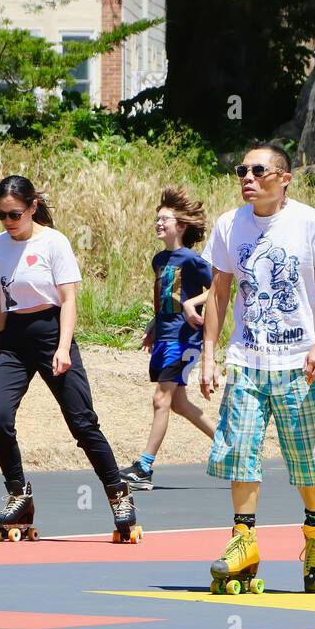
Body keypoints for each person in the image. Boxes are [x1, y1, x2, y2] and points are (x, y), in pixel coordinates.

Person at [199, 143, 315, 594]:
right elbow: (219, 293)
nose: (247, 177)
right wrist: (208, 354)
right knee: (239, 449)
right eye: (242, 169)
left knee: (308, 460)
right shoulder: (229, 225)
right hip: (248, 360)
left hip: (301, 363)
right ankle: (243, 539)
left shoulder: (310, 222)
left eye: (258, 170)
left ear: (283, 178)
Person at [0, 174, 141, 543]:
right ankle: (19, 495)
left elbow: (69, 299)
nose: (8, 222)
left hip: (53, 332)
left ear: (33, 207)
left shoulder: (55, 242)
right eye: (0, 214)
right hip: (14, 339)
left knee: (82, 423)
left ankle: (119, 493)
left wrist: (63, 348)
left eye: (14, 214)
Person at [120, 188, 216, 491]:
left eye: (165, 219)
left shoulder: (193, 260)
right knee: (178, 403)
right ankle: (232, 449)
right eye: (157, 219)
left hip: (184, 338)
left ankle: (144, 468)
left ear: (182, 226)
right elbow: (165, 296)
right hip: (164, 335)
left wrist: (192, 305)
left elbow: (221, 290)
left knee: (161, 399)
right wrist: (153, 324)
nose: (159, 223)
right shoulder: (159, 259)